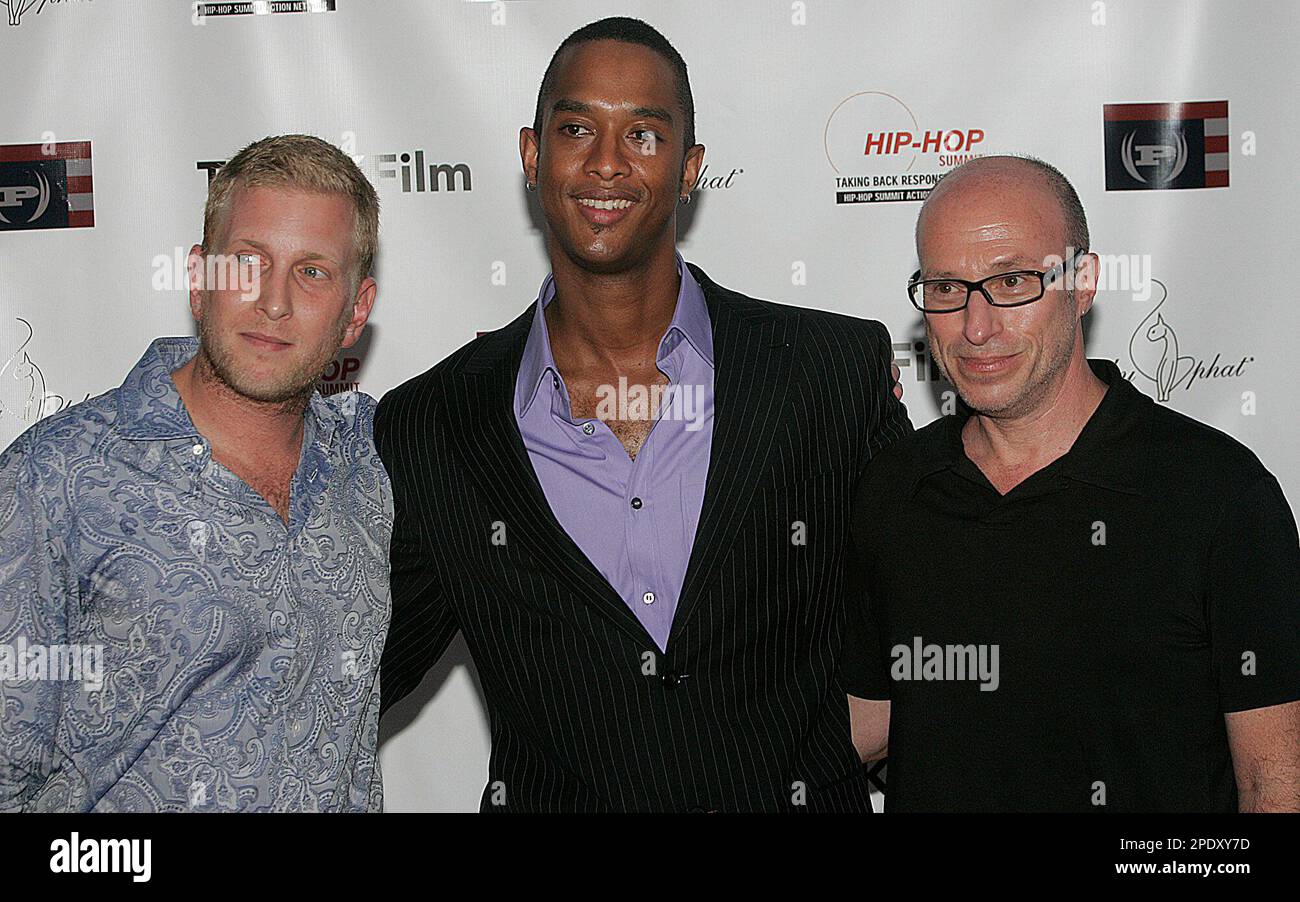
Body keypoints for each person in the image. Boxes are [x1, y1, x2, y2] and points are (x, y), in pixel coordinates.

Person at [375, 17, 910, 811]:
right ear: (533, 153)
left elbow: (927, 610)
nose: (606, 163)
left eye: (645, 135)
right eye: (578, 127)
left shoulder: (827, 373)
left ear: (690, 169)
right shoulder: (434, 424)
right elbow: (352, 675)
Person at [842, 154, 1300, 812]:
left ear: (1082, 283)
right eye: (946, 288)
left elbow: (1273, 781)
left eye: (1012, 282)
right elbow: (875, 716)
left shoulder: (1216, 494)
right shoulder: (892, 487)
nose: (976, 327)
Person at [0, 134, 392, 811]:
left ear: (355, 312)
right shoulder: (57, 478)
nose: (273, 301)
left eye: (313, 272)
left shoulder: (373, 460)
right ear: (197, 277)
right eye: (247, 262)